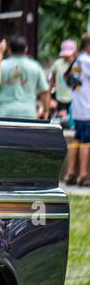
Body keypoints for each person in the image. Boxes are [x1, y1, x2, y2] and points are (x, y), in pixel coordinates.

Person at [0, 36, 49, 120]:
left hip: (5, 112)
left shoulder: (1, 65)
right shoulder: (35, 66)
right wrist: (46, 111)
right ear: (26, 49)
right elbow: (45, 91)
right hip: (28, 113)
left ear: (10, 50)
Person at [66, 35, 90, 185]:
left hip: (78, 106)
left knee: (77, 139)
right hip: (87, 107)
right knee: (86, 141)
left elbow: (68, 80)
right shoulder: (86, 61)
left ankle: (70, 173)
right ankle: (82, 175)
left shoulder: (77, 60)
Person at [47, 38, 77, 125]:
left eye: (69, 54)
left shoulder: (78, 64)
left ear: (74, 52)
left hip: (74, 99)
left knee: (72, 124)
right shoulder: (58, 64)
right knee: (62, 122)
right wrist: (49, 97)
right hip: (60, 99)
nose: (66, 56)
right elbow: (52, 80)